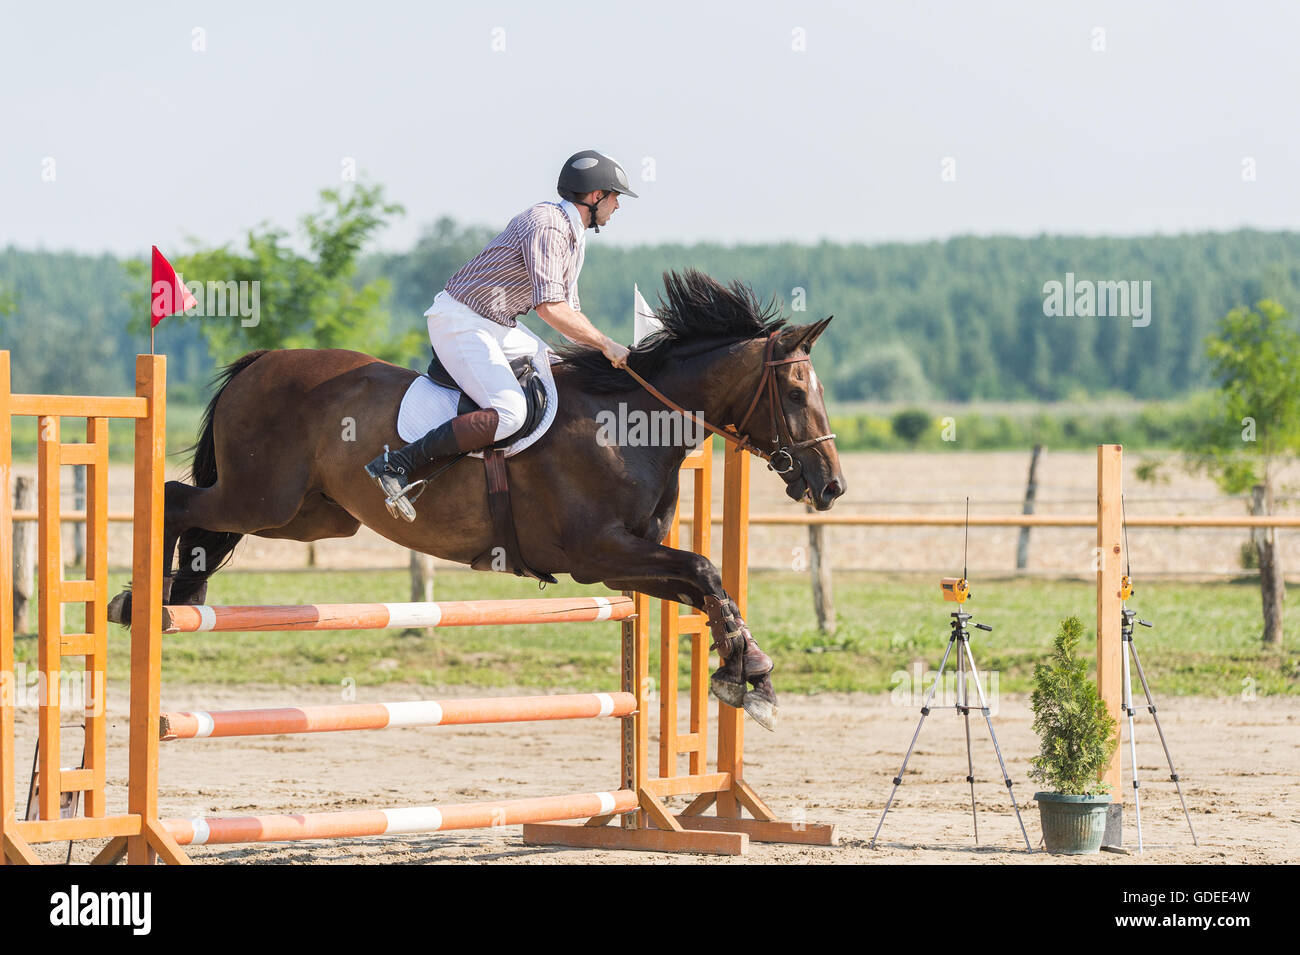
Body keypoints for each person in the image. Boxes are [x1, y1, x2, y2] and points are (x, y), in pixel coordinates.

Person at [366, 149, 637, 520]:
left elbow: (570, 313)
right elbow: (550, 309)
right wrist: (606, 344)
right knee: (510, 414)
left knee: (557, 372)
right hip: (461, 319)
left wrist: (606, 354)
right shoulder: (548, 225)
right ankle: (396, 464)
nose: (618, 206)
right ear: (595, 196)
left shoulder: (573, 234)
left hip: (494, 322)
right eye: (616, 197)